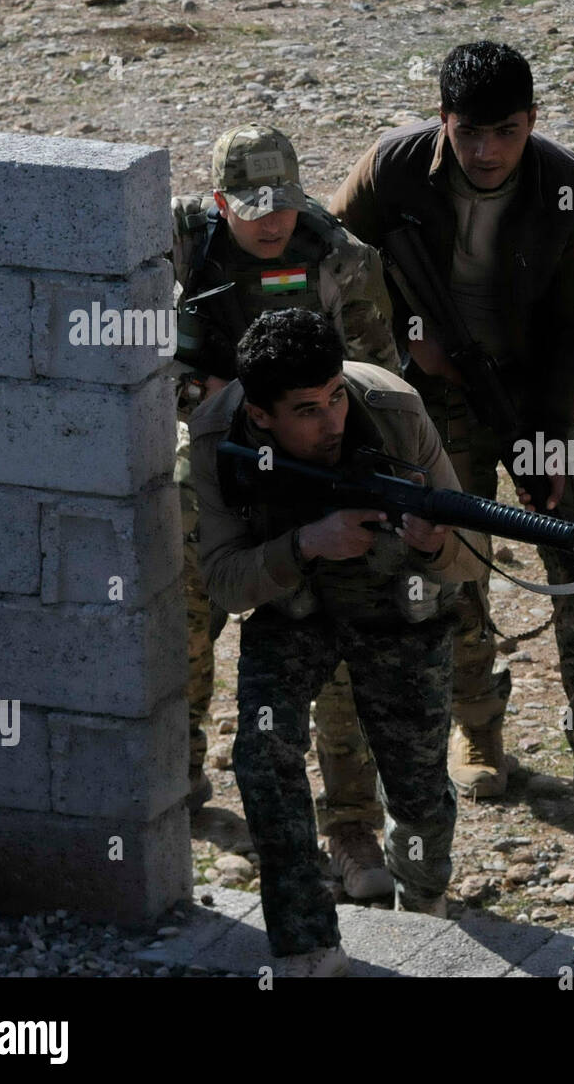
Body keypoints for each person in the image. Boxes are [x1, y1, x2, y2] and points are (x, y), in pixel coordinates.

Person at [328, 41, 574, 802]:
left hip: (538, 394)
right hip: (430, 399)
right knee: (453, 559)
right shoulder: (391, 169)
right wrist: (395, 342)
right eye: (469, 131)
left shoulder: (564, 185)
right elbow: (331, 262)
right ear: (443, 119)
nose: (487, 152)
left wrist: (550, 430)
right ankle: (478, 728)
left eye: (507, 131)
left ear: (533, 122)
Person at [188, 308, 487, 976]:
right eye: (307, 411)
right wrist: (305, 543)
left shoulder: (391, 406)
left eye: (335, 399)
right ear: (261, 416)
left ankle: (424, 907)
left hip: (397, 605)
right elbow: (224, 580)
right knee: (262, 755)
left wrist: (436, 543)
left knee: (415, 789)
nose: (332, 423)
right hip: (295, 606)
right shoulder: (216, 434)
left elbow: (475, 552)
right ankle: (305, 944)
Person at [171, 123, 397, 898]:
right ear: (217, 201)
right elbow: (138, 359)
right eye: (251, 205)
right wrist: (201, 400)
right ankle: (178, 774)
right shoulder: (181, 250)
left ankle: (350, 824)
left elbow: (376, 377)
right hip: (216, 472)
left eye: (283, 203)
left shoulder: (339, 258)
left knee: (334, 646)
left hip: (315, 470)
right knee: (189, 620)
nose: (270, 221)